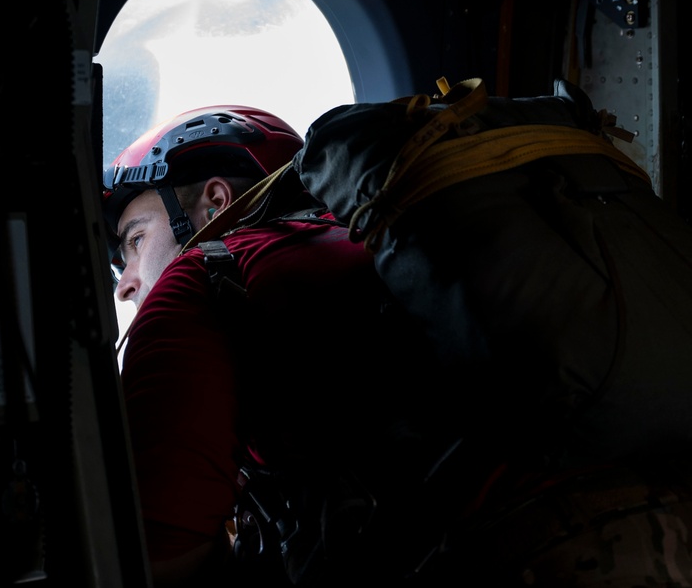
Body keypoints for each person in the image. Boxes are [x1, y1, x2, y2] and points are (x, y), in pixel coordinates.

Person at [101, 104, 692, 588]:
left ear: (215, 202)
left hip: (517, 555)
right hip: (668, 515)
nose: (125, 283)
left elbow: (157, 559)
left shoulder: (201, 280)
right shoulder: (389, 238)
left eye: (134, 240)